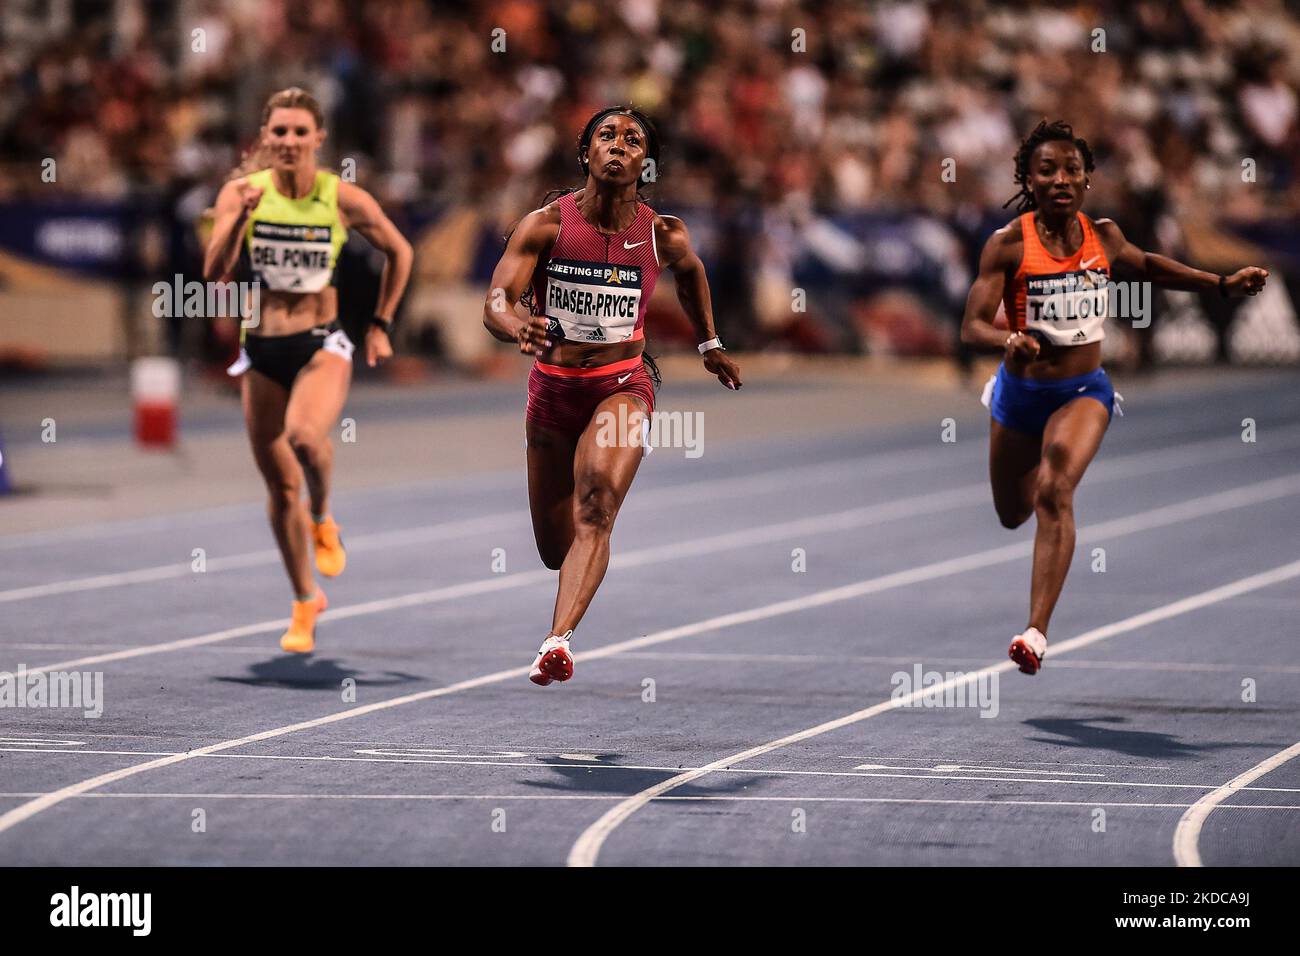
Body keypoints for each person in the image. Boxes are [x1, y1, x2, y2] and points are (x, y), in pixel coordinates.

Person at [960, 120, 1267, 674]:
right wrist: (1009, 338)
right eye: (1048, 170)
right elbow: (970, 327)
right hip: (1019, 393)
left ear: (1087, 180)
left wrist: (1221, 284)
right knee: (1012, 513)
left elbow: (1148, 266)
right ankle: (1034, 492)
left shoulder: (1104, 236)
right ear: (1028, 179)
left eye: (1072, 170)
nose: (1061, 179)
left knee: (1056, 491)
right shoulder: (1007, 245)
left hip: (1082, 392)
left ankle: (1035, 633)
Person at [482, 106, 743, 686]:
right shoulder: (546, 225)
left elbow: (691, 272)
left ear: (645, 164)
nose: (618, 145)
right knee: (556, 548)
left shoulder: (662, 232)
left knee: (597, 506)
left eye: (632, 139)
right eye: (606, 135)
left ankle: (556, 641)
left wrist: (709, 343)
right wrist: (518, 323)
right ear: (586, 154)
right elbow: (496, 300)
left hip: (623, 385)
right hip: (553, 392)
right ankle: (575, 580)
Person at [204, 87, 413, 653]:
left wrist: (381, 323)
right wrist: (235, 222)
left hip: (322, 341)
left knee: (303, 436)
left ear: (319, 138)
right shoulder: (240, 193)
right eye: (280, 132)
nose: (290, 142)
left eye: (301, 132)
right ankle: (304, 600)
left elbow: (401, 251)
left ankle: (322, 514)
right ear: (265, 138)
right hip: (262, 348)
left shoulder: (340, 197)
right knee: (277, 486)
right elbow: (215, 273)